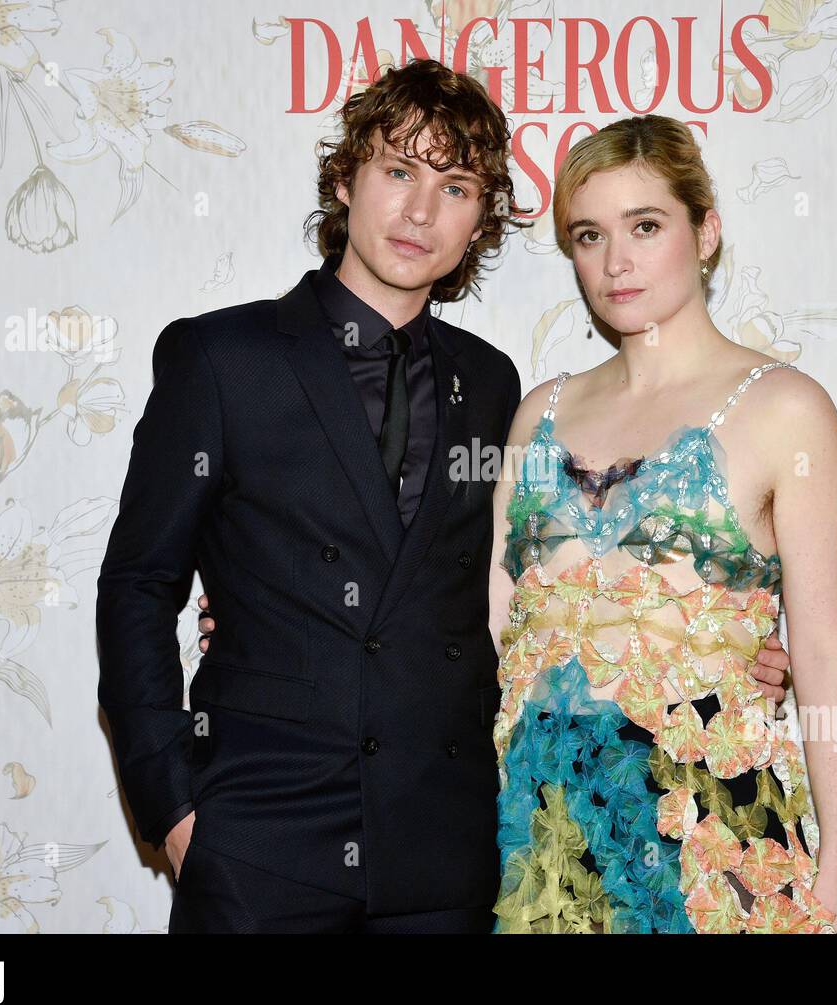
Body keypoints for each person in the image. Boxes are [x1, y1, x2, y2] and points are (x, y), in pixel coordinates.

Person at [171, 63, 793, 933]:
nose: (421, 211)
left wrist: (713, 644)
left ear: (480, 220)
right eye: (398, 172)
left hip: (449, 852)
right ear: (345, 180)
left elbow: (505, 597)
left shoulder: (494, 387)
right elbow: (134, 588)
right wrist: (173, 813)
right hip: (263, 845)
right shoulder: (222, 359)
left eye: (454, 186)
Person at [484, 114, 837, 933]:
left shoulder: (786, 410)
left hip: (713, 843)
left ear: (707, 232)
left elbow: (829, 656)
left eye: (645, 226)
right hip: (542, 844)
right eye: (589, 235)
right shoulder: (536, 414)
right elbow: (494, 628)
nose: (616, 261)